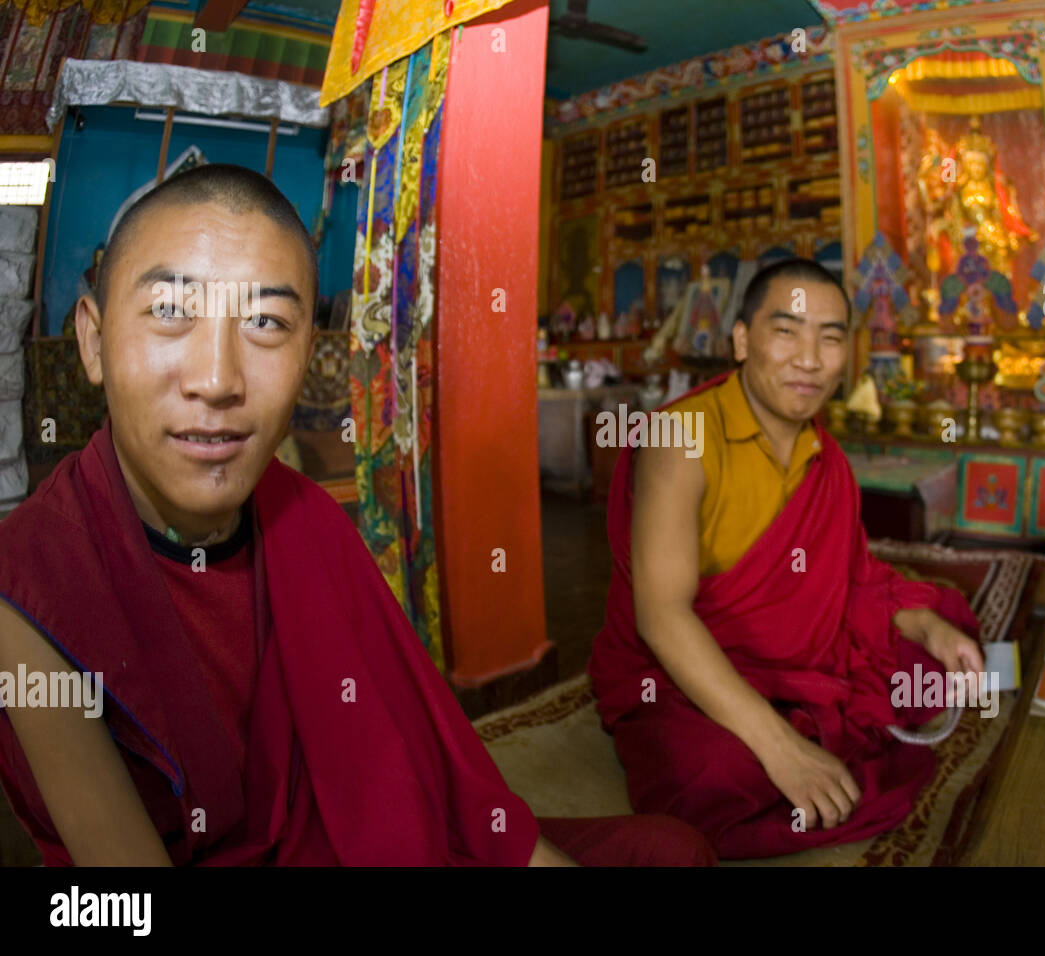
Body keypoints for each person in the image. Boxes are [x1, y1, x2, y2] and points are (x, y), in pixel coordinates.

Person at [0, 164, 714, 867]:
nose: (215, 379)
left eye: (265, 322)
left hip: (353, 840)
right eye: (167, 312)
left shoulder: (304, 517)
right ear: (93, 341)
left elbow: (415, 750)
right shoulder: (31, 582)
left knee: (668, 848)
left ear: (310, 348)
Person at [589, 258, 985, 859]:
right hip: (685, 668)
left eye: (830, 339)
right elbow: (662, 617)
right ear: (743, 340)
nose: (810, 358)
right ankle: (791, 735)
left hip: (799, 660)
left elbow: (854, 580)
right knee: (711, 774)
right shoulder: (681, 439)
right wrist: (779, 746)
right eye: (787, 331)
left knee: (937, 654)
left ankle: (803, 731)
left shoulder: (826, 456)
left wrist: (923, 622)